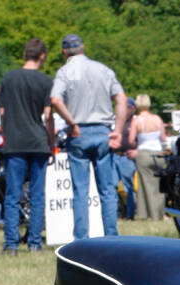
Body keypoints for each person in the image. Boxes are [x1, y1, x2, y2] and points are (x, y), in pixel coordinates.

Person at [49, 33, 128, 240]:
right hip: (103, 132)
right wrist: (118, 130)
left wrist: (71, 122)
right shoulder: (103, 69)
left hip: (79, 133)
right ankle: (111, 236)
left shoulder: (64, 72)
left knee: (80, 191)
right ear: (83, 47)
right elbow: (121, 98)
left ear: (64, 52)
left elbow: (55, 99)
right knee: (107, 190)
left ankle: (81, 239)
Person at [0, 37, 54, 253]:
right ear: (42, 56)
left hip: (15, 142)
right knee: (37, 196)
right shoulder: (46, 81)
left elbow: (2, 113)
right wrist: (51, 141)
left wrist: (7, 131)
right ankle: (34, 243)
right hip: (38, 142)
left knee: (13, 195)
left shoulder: (9, 78)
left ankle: (11, 244)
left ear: (24, 55)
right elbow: (48, 116)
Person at [128, 94, 167, 220]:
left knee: (145, 185)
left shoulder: (137, 120)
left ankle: (149, 213)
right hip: (158, 153)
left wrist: (135, 144)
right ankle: (161, 212)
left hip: (144, 153)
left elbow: (130, 140)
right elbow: (163, 138)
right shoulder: (157, 118)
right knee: (159, 185)